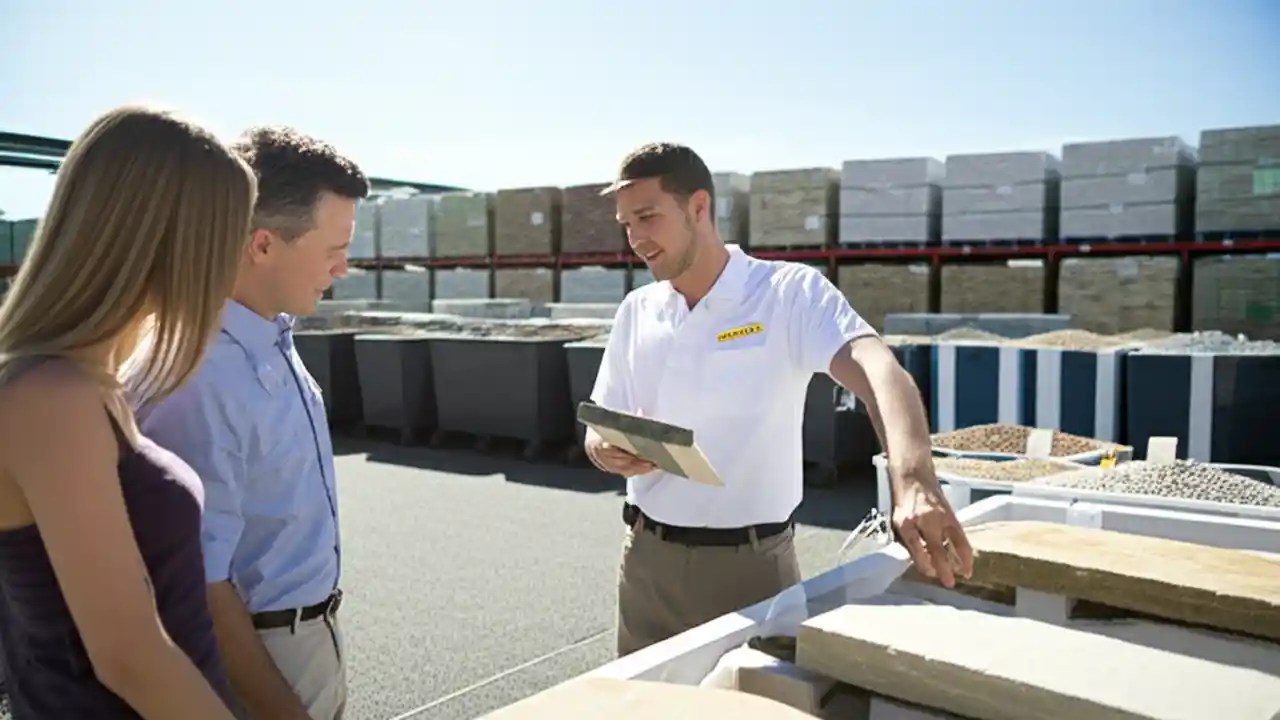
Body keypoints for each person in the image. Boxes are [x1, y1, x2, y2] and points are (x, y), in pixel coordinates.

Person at [587, 142, 975, 656]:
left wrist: (914, 482)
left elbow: (881, 371)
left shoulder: (788, 294)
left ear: (699, 207)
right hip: (644, 564)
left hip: (749, 572)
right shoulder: (637, 310)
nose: (634, 238)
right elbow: (599, 426)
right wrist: (605, 449)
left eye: (647, 217)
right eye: (626, 224)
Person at [0, 104, 256, 718]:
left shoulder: (87, 382)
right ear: (174, 238)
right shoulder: (50, 397)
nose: (235, 262)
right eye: (228, 236)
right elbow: (130, 656)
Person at [137, 126, 369, 720]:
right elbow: (203, 585)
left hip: (305, 638)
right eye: (332, 250)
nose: (344, 268)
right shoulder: (202, 379)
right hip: (260, 661)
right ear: (262, 245)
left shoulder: (268, 335)